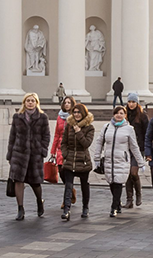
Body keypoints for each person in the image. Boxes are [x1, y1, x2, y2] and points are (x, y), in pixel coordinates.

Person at [92, 105, 146, 217]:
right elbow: (99, 142)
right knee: (111, 182)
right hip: (109, 160)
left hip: (122, 160)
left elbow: (134, 147)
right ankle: (117, 203)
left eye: (121, 113)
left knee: (118, 182)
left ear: (125, 115)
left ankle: (113, 207)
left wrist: (141, 163)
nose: (119, 115)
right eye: (117, 113)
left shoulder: (129, 129)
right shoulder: (106, 127)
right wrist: (97, 158)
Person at [7, 92, 51, 221]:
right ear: (24, 102)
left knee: (35, 182)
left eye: (32, 101)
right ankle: (20, 209)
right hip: (19, 154)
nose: (30, 103)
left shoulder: (42, 117)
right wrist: (10, 154)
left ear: (36, 103)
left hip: (34, 154)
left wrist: (43, 150)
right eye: (28, 101)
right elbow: (12, 136)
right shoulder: (17, 117)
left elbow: (46, 136)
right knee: (18, 181)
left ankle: (39, 201)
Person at [58, 102, 95, 221]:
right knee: (68, 185)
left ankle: (85, 207)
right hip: (70, 160)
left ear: (83, 113)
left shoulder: (89, 127)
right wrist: (65, 154)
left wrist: (78, 131)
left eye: (79, 112)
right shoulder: (69, 125)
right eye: (74, 112)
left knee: (84, 185)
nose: (76, 114)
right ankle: (66, 210)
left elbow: (86, 144)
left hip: (83, 160)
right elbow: (63, 142)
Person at [49, 96, 77, 210]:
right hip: (60, 148)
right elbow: (56, 134)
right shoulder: (60, 117)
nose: (67, 104)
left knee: (67, 172)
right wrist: (52, 151)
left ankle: (66, 200)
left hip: (70, 148)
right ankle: (71, 190)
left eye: (69, 103)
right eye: (65, 102)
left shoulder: (75, 116)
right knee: (61, 172)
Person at [123, 92, 149, 209]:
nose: (131, 104)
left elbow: (147, 134)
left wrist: (146, 150)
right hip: (126, 149)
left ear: (137, 103)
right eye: (129, 102)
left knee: (134, 172)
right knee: (127, 174)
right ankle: (129, 199)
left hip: (139, 148)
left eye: (133, 102)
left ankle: (138, 193)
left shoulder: (143, 116)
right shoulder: (124, 115)